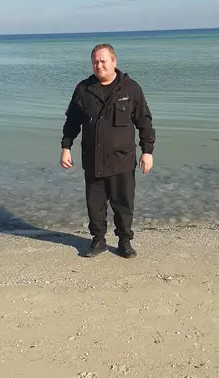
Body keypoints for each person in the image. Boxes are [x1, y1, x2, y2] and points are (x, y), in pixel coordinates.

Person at [60, 43, 156, 258]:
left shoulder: (130, 88)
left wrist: (147, 151)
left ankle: (124, 242)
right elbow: (72, 122)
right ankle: (98, 241)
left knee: (123, 203)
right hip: (93, 158)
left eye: (103, 61)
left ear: (114, 61)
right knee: (95, 204)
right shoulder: (83, 89)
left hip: (122, 159)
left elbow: (144, 122)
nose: (99, 65)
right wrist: (66, 147)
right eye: (95, 61)